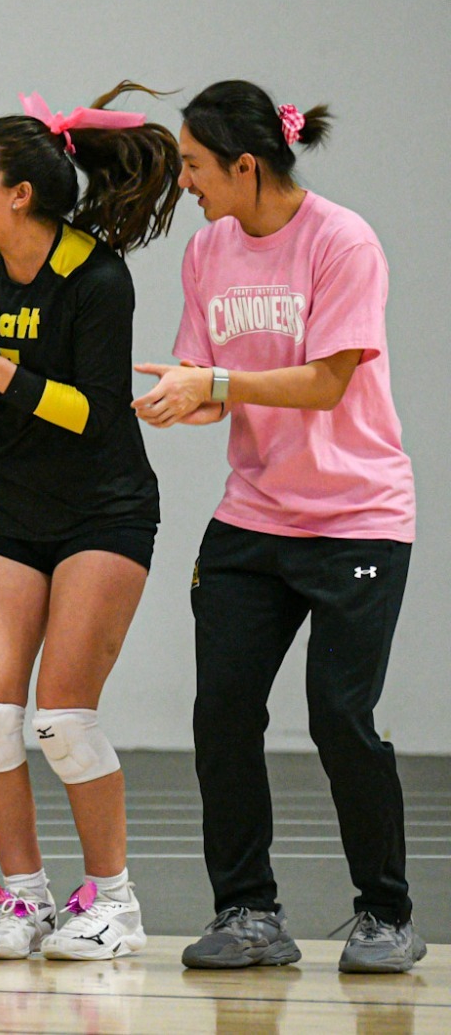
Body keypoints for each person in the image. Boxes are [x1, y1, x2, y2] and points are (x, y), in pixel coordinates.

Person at [132, 81, 423, 974]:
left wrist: (213, 387)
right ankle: (249, 912)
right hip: (253, 519)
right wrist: (183, 396)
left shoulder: (343, 241)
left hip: (357, 519)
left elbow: (327, 380)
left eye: (192, 165)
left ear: (245, 164)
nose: (184, 183)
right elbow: (207, 376)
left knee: (340, 717)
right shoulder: (209, 251)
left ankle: (385, 916)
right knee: (222, 712)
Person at [0, 86, 180, 961]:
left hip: (101, 515)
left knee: (63, 721)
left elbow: (96, 414)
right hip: (8, 514)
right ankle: (28, 898)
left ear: (19, 194)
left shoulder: (97, 277)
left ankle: (114, 903)